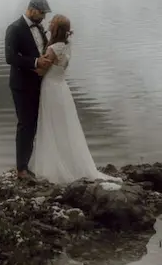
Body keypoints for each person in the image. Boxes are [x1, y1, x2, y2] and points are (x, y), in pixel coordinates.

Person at [28, 14, 107, 184]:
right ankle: (69, 162)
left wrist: (27, 65)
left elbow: (41, 71)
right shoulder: (67, 45)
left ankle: (55, 166)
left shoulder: (53, 49)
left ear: (55, 28)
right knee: (63, 126)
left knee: (51, 125)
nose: (48, 25)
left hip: (50, 88)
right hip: (62, 88)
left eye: (52, 24)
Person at [5, 0, 54, 179]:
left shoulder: (40, 27)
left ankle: (29, 164)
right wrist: (35, 62)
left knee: (34, 125)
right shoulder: (14, 28)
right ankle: (21, 169)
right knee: (25, 125)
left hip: (39, 83)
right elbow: (10, 57)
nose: (43, 18)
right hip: (22, 85)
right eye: (42, 13)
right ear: (32, 9)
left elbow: (43, 49)